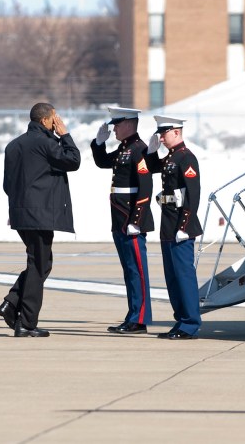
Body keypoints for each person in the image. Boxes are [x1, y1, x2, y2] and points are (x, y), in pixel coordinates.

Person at [0, 103, 80, 338]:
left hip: (21, 213)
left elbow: (7, 185)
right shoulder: (47, 143)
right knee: (39, 265)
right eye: (54, 118)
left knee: (40, 263)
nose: (56, 122)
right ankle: (26, 322)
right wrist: (65, 134)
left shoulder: (13, 145)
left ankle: (12, 303)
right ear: (45, 121)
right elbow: (73, 161)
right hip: (40, 215)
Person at [91, 107, 153, 334]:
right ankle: (133, 315)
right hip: (120, 218)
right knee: (129, 270)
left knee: (137, 269)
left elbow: (145, 187)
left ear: (129, 124)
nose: (114, 128)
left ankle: (140, 318)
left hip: (131, 219)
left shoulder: (139, 150)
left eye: (117, 124)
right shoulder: (124, 149)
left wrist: (136, 220)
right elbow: (103, 162)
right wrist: (98, 144)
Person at [144, 116, 203, 340]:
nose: (161, 137)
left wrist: (185, 225)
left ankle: (190, 323)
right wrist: (151, 152)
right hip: (168, 225)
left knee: (184, 276)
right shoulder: (171, 157)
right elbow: (151, 168)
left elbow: (192, 194)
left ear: (176, 132)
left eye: (164, 133)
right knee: (172, 277)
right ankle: (181, 321)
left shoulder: (187, 158)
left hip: (181, 226)